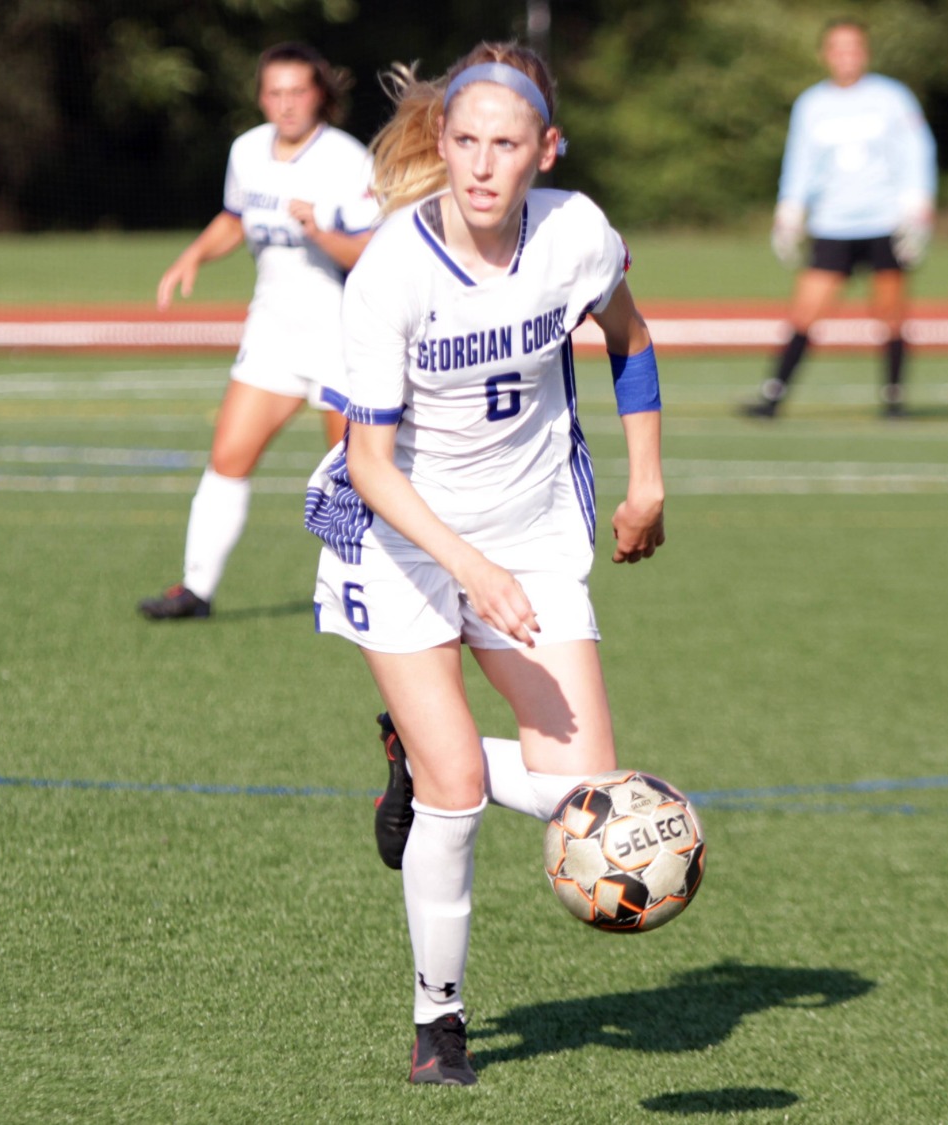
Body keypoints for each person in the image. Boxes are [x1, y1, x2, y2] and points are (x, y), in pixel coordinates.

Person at [301, 43, 667, 1087]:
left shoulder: (576, 234)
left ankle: (414, 760)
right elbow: (366, 463)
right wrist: (466, 565)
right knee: (460, 789)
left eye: (505, 144)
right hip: (399, 535)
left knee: (586, 791)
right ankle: (439, 1021)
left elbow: (630, 340)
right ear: (441, 144)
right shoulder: (392, 274)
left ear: (544, 150)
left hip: (534, 527)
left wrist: (646, 481)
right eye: (464, 141)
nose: (480, 163)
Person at [138, 43, 379, 620]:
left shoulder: (348, 161)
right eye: (275, 91)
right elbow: (236, 217)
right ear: (260, 96)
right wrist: (193, 256)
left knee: (361, 476)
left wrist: (320, 232)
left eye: (298, 91)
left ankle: (379, 594)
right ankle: (195, 590)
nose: (286, 103)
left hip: (341, 340)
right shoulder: (247, 150)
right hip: (272, 335)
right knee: (228, 458)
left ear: (320, 94)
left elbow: (374, 251)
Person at [744, 18, 936, 420]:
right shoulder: (812, 104)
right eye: (839, 48)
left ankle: (894, 398)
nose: (847, 56)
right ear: (825, 55)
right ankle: (773, 396)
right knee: (806, 311)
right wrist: (790, 210)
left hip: (885, 222)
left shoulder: (892, 97)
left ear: (865, 53)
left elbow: (917, 152)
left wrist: (918, 207)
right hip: (833, 224)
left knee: (890, 312)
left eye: (855, 48)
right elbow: (800, 163)